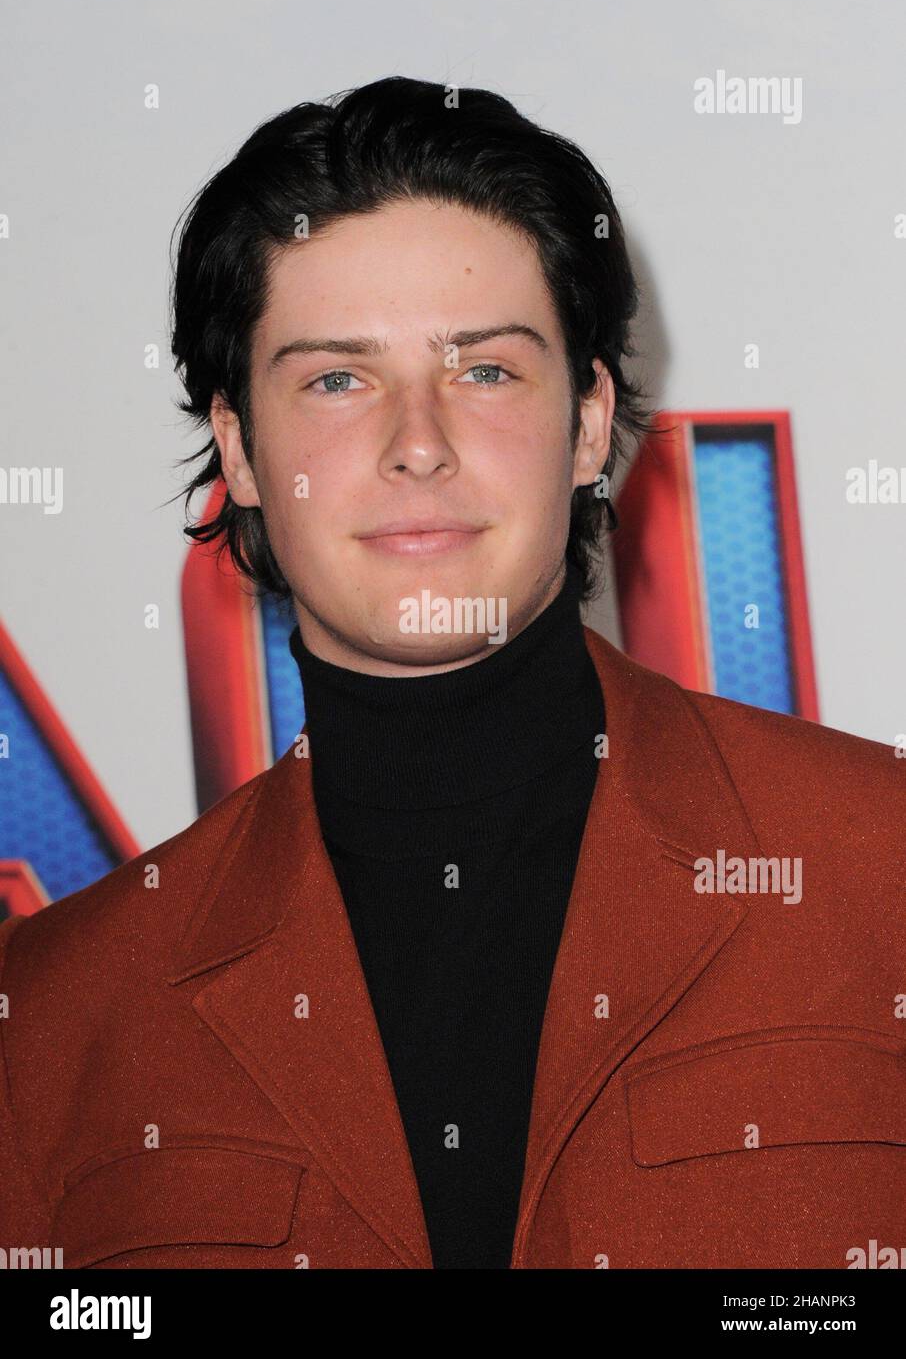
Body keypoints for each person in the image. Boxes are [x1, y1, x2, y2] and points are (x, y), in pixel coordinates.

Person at [1, 77, 903, 1272]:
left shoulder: (876, 868)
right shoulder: (59, 1018)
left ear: (588, 422)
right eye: (336, 377)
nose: (415, 440)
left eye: (483, 370)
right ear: (241, 449)